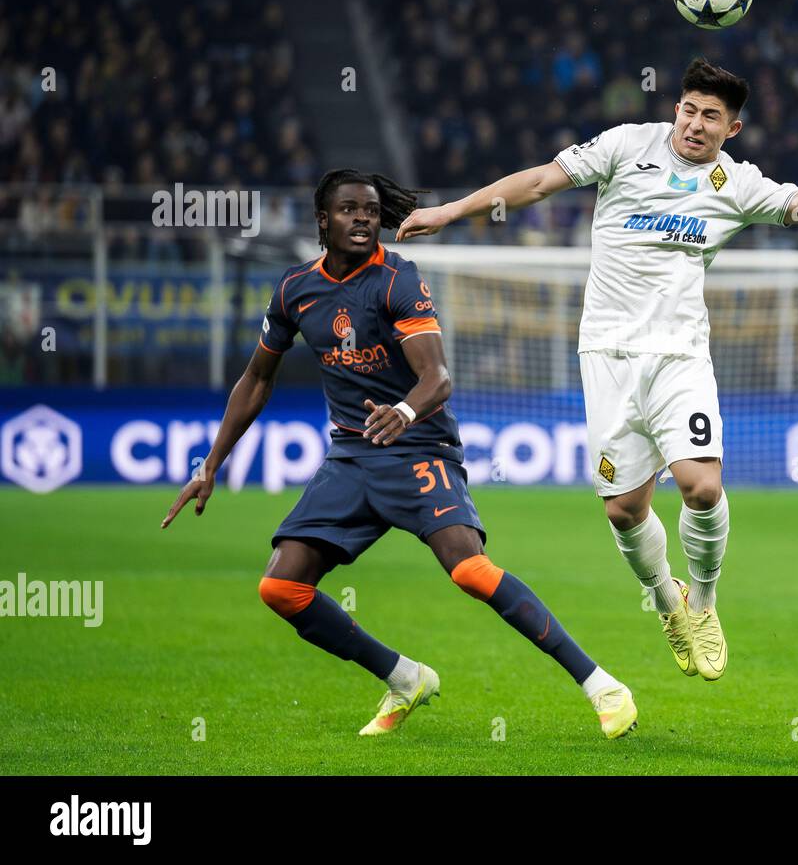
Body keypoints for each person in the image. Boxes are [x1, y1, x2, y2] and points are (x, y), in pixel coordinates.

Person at [396, 58, 798, 681]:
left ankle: (702, 601)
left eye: (712, 117)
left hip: (680, 357)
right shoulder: (625, 145)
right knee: (623, 509)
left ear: (734, 128)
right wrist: (450, 212)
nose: (696, 125)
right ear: (676, 107)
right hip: (606, 355)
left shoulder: (738, 182)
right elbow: (539, 182)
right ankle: (664, 600)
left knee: (701, 486)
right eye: (689, 109)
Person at [162, 169, 637, 739]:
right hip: (351, 458)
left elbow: (436, 377)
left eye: (369, 210)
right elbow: (257, 378)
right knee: (281, 588)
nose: (362, 218)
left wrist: (405, 413)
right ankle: (405, 677)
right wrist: (211, 464)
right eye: (348, 210)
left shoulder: (396, 280)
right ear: (323, 220)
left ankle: (601, 685)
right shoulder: (294, 290)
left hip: (418, 447)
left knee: (469, 570)